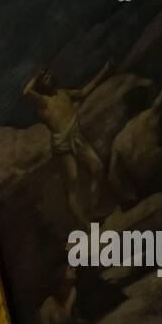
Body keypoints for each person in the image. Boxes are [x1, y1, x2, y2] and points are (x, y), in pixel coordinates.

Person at [23, 61, 113, 223]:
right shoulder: (42, 101)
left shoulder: (63, 93)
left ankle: (94, 211)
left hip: (77, 139)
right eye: (44, 78)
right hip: (62, 147)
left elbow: (84, 91)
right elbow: (26, 92)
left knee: (98, 168)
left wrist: (104, 70)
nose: (48, 78)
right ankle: (87, 225)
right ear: (40, 84)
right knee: (73, 185)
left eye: (49, 75)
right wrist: (36, 77)